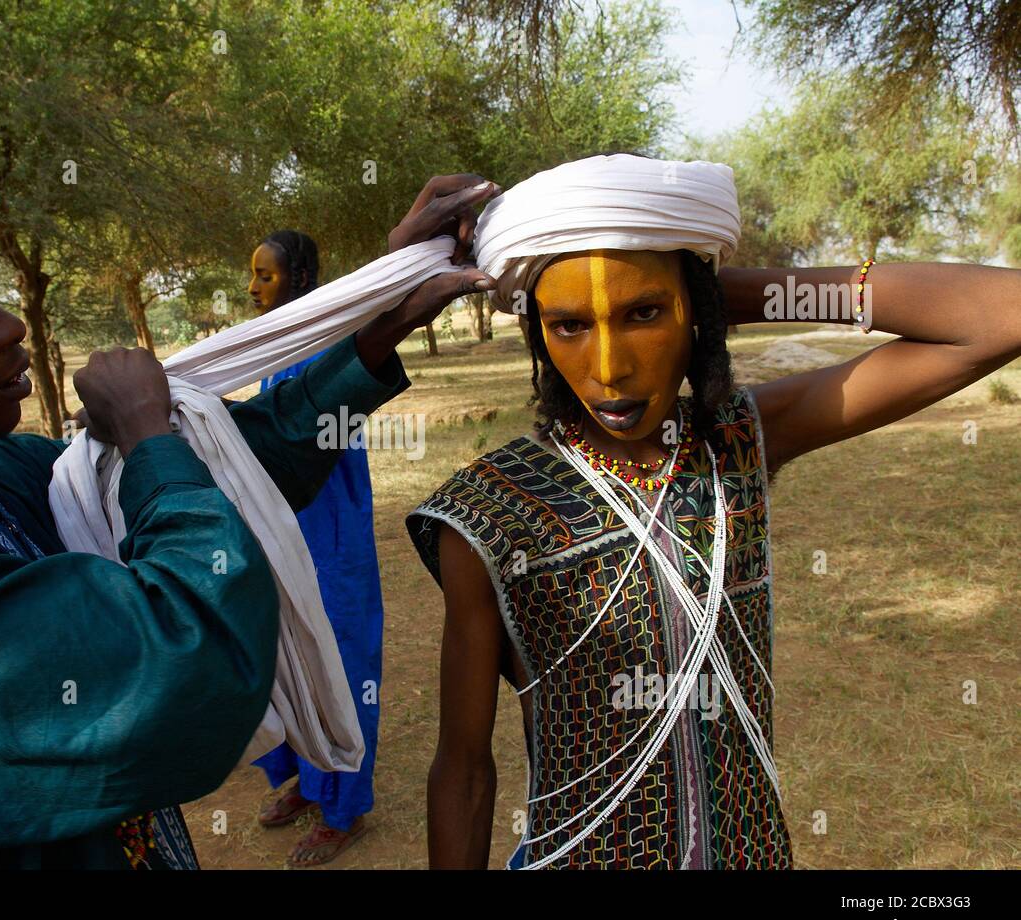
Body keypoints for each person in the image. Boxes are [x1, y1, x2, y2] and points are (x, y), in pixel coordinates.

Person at [0, 167, 498, 869]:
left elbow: (244, 468)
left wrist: (383, 308)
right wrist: (149, 437)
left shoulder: (1, 476)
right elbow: (192, 676)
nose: (7, 327)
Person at [408, 154, 1021, 869]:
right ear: (538, 335)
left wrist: (721, 292)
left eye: (644, 313)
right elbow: (464, 769)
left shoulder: (738, 442)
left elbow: (1001, 318)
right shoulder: (492, 511)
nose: (610, 367)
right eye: (569, 325)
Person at [247, 230, 381, 866]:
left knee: (342, 666)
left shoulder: (329, 344)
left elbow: (315, 437)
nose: (252, 287)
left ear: (299, 278)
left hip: (330, 530)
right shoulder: (276, 344)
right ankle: (309, 778)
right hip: (284, 527)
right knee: (287, 657)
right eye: (253, 274)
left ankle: (345, 809)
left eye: (265, 275)